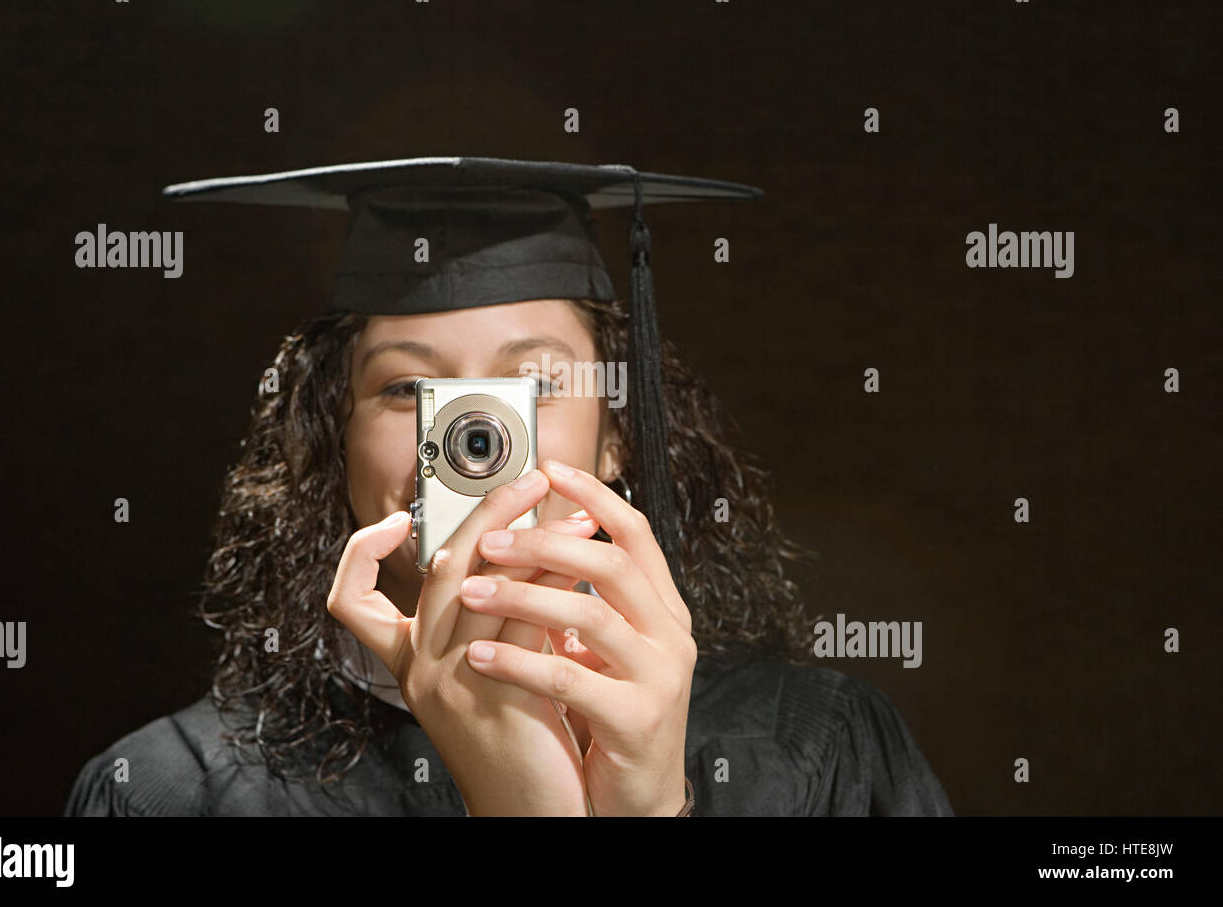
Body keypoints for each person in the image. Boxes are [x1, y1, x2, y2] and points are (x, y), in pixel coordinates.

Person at [65, 157, 953, 816]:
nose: (473, 438)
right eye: (409, 390)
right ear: (330, 441)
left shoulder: (817, 750)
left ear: (619, 439)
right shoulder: (174, 792)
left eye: (531, 385)